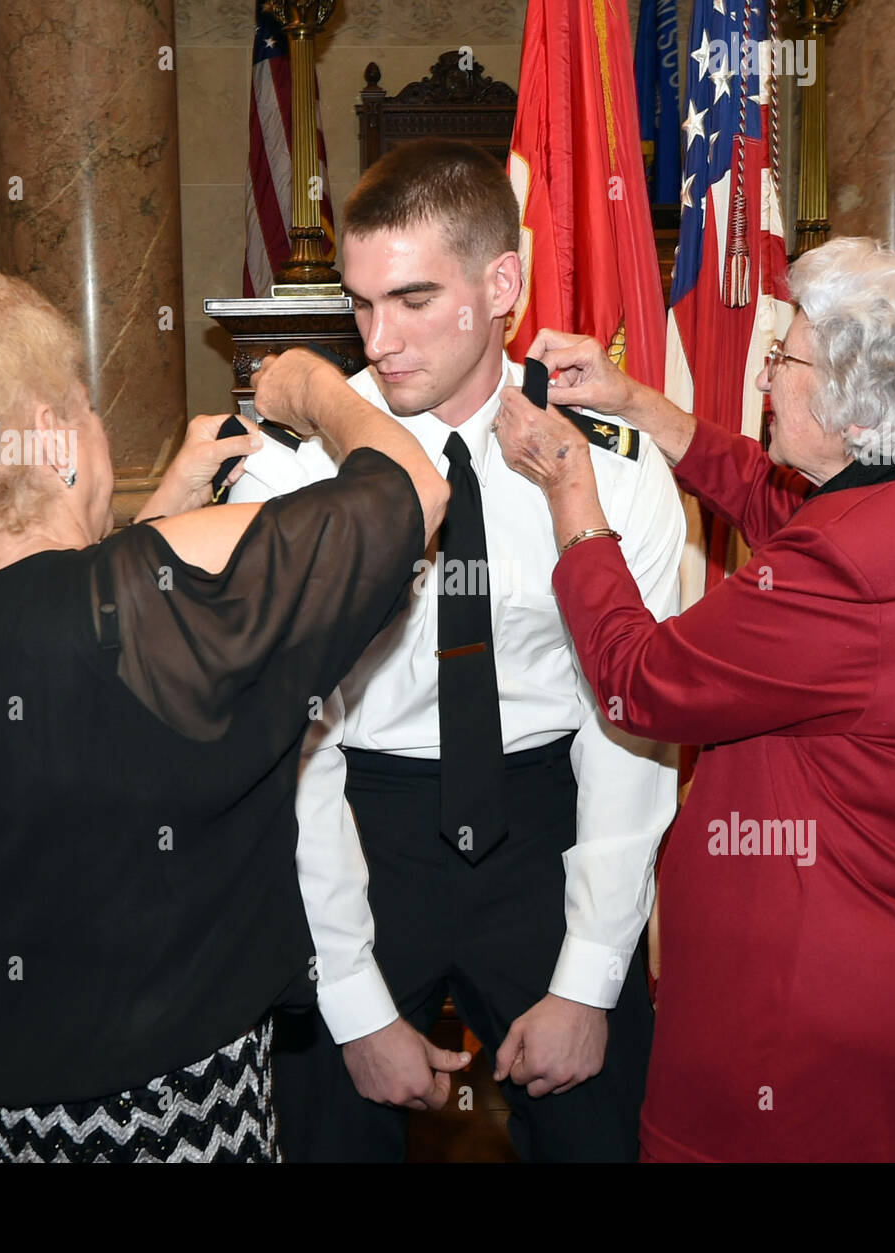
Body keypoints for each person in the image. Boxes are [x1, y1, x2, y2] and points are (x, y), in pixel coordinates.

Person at [493, 236, 895, 1162]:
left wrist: (570, 489)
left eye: (785, 358)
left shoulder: (852, 564)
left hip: (805, 1048)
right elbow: (796, 525)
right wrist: (637, 405)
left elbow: (638, 680)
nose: (767, 376)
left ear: (859, 410)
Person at [0, 269, 450, 1163]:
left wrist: (167, 503)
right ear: (51, 439)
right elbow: (412, 495)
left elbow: (77, 631)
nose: (98, 429)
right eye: (85, 409)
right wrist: (318, 385)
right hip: (155, 1098)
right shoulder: (131, 591)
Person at [230, 138, 687, 1162]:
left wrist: (586, 976)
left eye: (413, 300)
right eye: (359, 304)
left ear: (502, 284)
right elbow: (290, 744)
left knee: (599, 1136)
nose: (378, 340)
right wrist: (350, 996)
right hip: (353, 833)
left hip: (549, 831)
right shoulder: (296, 477)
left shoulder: (609, 466)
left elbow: (630, 729)